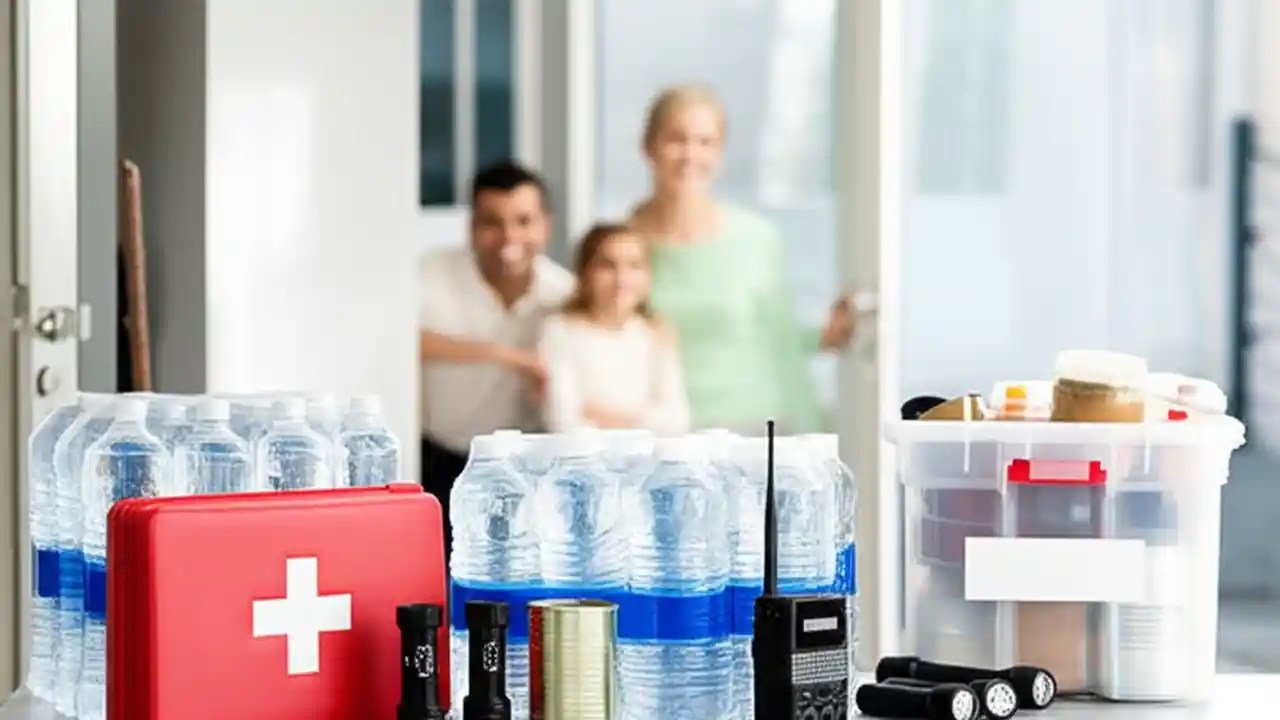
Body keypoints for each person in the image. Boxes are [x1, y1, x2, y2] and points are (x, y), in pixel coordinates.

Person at [628, 86, 856, 433]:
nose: (690, 154)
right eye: (676, 139)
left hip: (750, 426)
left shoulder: (756, 239)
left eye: (705, 142)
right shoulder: (622, 247)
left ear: (720, 152)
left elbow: (777, 336)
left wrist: (822, 337)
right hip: (660, 432)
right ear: (649, 147)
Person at [418, 160, 573, 556]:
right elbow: (399, 341)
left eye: (523, 220)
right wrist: (505, 356)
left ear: (545, 225)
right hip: (443, 458)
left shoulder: (563, 293)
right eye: (492, 222)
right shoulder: (430, 276)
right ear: (471, 226)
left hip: (525, 464)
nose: (509, 237)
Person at [539, 223, 691, 434]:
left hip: (645, 461)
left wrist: (609, 417)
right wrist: (640, 421)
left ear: (648, 276)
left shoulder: (655, 333)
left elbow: (676, 419)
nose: (621, 279)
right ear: (585, 273)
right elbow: (562, 419)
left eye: (634, 265)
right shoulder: (560, 331)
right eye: (607, 266)